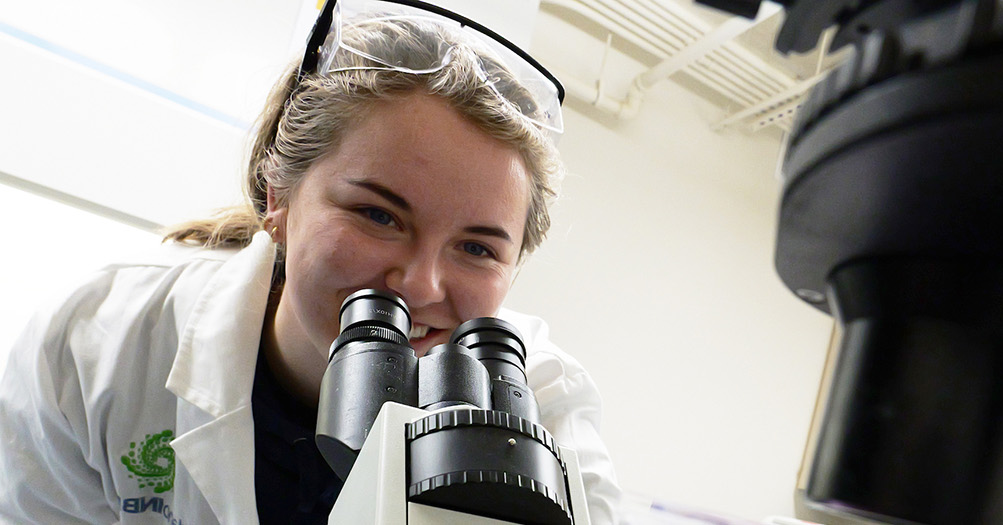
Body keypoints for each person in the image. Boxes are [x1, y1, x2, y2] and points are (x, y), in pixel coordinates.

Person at [0, 1, 622, 523]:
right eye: (379, 215)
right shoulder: (99, 346)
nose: (420, 284)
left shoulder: (541, 402)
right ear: (278, 198)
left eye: (477, 248)